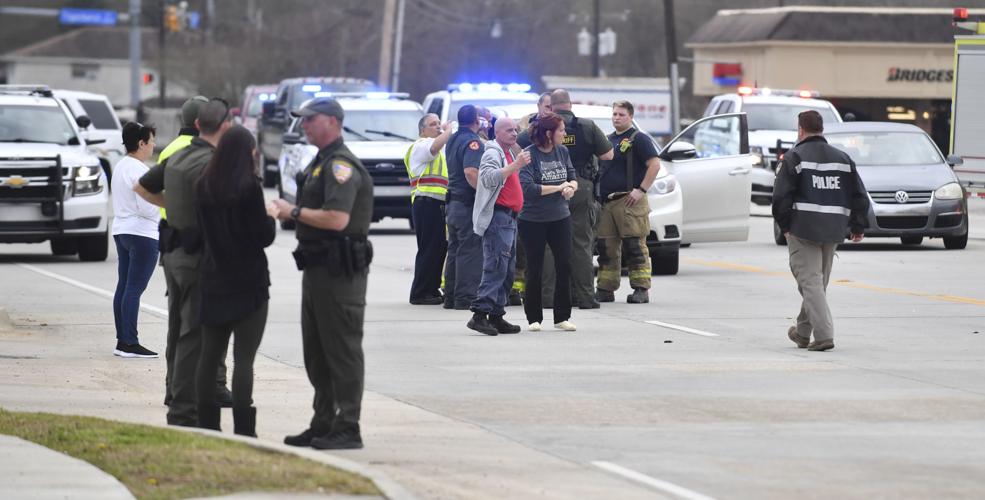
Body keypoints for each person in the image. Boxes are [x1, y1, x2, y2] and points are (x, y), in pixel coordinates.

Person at [269, 97, 373, 450]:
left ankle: (348, 425)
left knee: (341, 348)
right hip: (318, 270)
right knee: (316, 351)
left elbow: (337, 219)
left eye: (310, 120)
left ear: (331, 121)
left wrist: (293, 211)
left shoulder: (340, 166)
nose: (305, 126)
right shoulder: (321, 162)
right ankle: (324, 420)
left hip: (339, 273)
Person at [135, 98, 232, 426]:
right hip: (196, 249)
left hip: (172, 244)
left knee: (177, 325)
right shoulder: (208, 157)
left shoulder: (172, 151)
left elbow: (143, 187)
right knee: (197, 328)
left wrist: (173, 205)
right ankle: (192, 398)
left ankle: (173, 388)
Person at [194, 125, 275, 436]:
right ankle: (244, 427)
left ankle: (207, 424)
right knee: (244, 360)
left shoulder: (204, 185)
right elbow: (263, 236)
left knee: (209, 357)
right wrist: (268, 217)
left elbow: (200, 232)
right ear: (246, 152)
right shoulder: (249, 188)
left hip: (214, 279)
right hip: (249, 282)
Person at [772, 110, 869, 352]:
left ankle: (824, 335)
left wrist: (784, 227)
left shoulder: (794, 158)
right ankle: (803, 333)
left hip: (802, 228)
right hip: (833, 229)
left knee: (811, 283)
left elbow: (781, 197)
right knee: (816, 283)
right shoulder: (843, 159)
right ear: (821, 129)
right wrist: (857, 225)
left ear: (801, 130)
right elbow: (859, 195)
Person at [539, 89, 614, 309]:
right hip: (580, 187)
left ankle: (548, 298)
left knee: (549, 245)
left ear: (551, 106)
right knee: (581, 244)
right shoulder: (587, 126)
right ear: (570, 104)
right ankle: (585, 298)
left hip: (549, 188)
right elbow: (608, 155)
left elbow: (520, 146)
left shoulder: (542, 126)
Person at [467, 116, 528, 336]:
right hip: (498, 219)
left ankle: (496, 315)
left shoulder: (509, 152)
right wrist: (516, 165)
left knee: (507, 269)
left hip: (510, 219)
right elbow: (488, 178)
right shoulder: (492, 152)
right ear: (497, 132)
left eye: (516, 129)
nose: (514, 133)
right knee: (495, 267)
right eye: (509, 130)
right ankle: (479, 315)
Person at [518, 113, 578, 331]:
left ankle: (562, 316)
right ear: (549, 134)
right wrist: (559, 187)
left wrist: (571, 186)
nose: (565, 134)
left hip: (560, 218)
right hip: (532, 220)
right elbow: (529, 189)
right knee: (535, 267)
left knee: (564, 264)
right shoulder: (528, 155)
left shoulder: (562, 151)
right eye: (561, 130)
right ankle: (534, 318)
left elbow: (572, 176)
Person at [595, 101, 660, 304]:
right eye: (614, 114)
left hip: (629, 201)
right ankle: (605, 288)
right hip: (607, 202)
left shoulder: (638, 138)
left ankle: (641, 289)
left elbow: (655, 165)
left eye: (621, 114)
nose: (616, 118)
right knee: (606, 247)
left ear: (630, 116)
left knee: (634, 245)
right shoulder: (608, 140)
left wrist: (641, 190)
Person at [111, 122, 160, 358]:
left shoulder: (121, 166)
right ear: (141, 143)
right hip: (142, 233)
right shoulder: (140, 170)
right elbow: (147, 206)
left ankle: (123, 340)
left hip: (121, 230)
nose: (153, 146)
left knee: (124, 286)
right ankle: (130, 342)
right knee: (133, 289)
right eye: (151, 141)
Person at [405, 113, 452, 305]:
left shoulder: (440, 150)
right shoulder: (421, 145)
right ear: (422, 130)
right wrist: (448, 132)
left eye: (440, 124)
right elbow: (434, 146)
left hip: (438, 203)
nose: (438, 127)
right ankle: (420, 292)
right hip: (426, 202)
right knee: (429, 248)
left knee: (439, 248)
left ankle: (431, 289)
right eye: (433, 124)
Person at [443, 105, 485, 310]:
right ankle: (465, 297)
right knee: (470, 250)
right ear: (477, 120)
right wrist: (485, 194)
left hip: (453, 203)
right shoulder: (473, 142)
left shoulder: (452, 138)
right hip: (467, 203)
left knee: (455, 250)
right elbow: (471, 172)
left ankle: (450, 296)